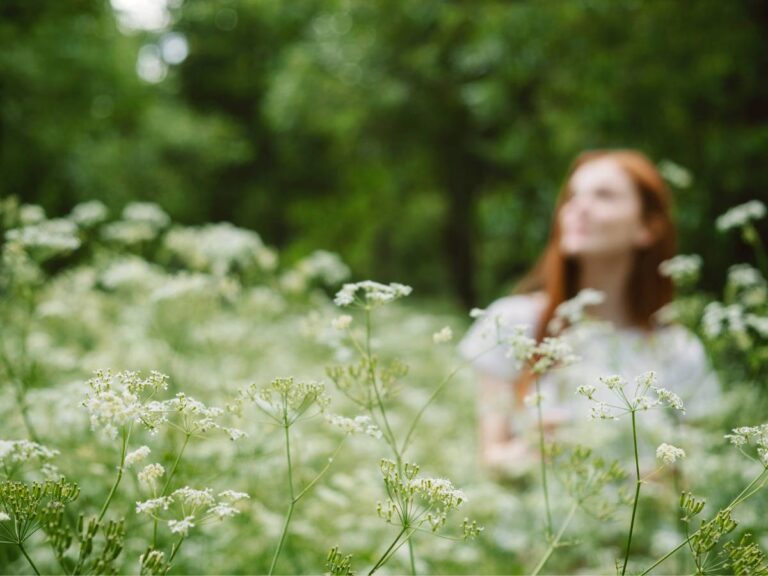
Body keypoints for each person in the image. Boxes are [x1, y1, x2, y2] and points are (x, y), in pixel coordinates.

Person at [458, 149, 720, 475]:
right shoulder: (513, 322)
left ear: (647, 228)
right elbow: (491, 461)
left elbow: (693, 479)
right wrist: (530, 452)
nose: (578, 208)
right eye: (572, 196)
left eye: (604, 196)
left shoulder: (678, 350)